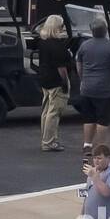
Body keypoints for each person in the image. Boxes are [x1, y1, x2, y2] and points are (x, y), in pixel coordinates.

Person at [74, 18, 110, 156]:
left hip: (86, 88)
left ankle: (87, 146)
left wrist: (82, 79)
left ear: (92, 31)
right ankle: (101, 148)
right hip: (103, 89)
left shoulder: (84, 46)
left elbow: (78, 64)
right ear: (105, 32)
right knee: (102, 120)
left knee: (88, 118)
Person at [36, 15, 71, 153]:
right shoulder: (58, 46)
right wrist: (65, 82)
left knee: (46, 110)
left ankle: (46, 138)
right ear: (58, 27)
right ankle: (49, 142)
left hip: (45, 78)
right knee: (54, 112)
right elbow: (62, 68)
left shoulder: (43, 42)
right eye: (62, 26)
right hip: (56, 81)